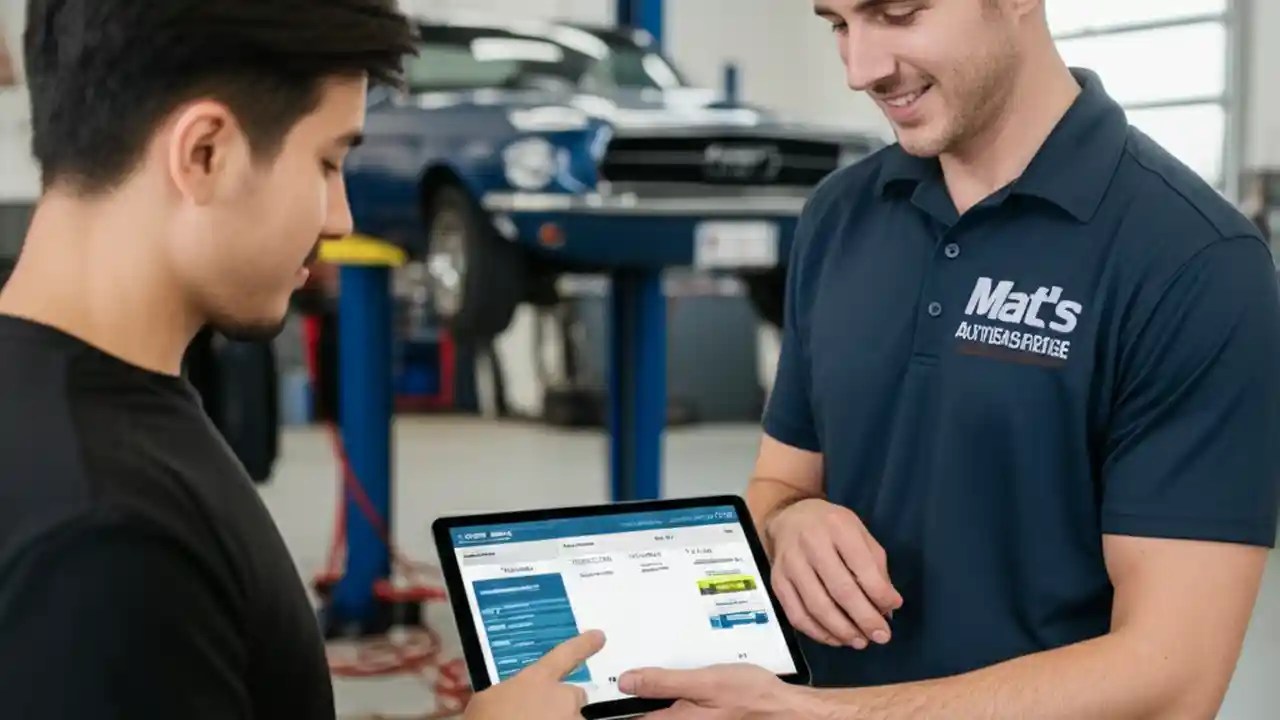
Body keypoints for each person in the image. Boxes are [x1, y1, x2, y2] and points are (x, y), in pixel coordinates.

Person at [616, 0, 1280, 718]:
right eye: (839, 25)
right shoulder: (838, 217)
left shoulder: (1196, 262)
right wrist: (789, 521)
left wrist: (820, 717)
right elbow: (780, 479)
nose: (861, 70)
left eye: (896, 13)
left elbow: (1173, 679)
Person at [0, 1, 600, 718]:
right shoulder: (105, 543)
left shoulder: (72, 427)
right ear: (205, 155)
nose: (340, 217)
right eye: (327, 161)